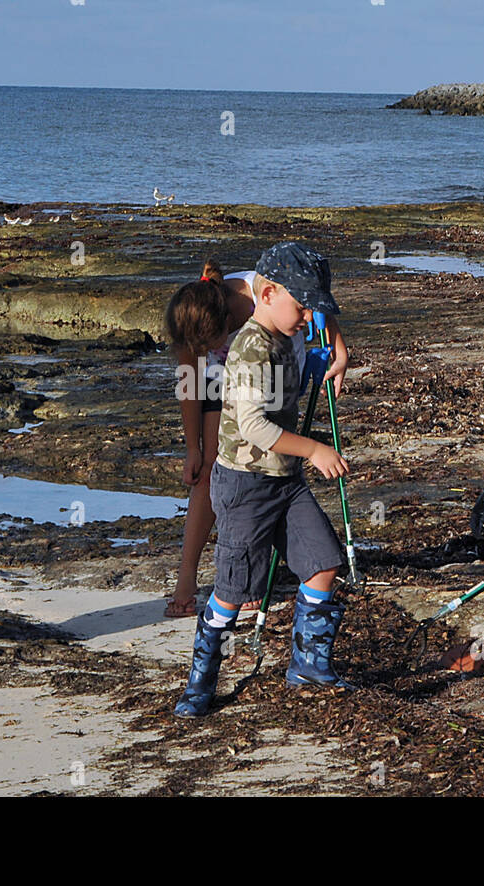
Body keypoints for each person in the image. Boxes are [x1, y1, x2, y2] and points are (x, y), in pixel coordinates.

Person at [173, 242, 352, 717]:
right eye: (302, 306)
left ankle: (308, 664)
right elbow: (253, 425)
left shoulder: (282, 332)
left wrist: (321, 361)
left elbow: (288, 379)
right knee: (232, 594)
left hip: (284, 482)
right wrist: (314, 449)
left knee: (322, 562)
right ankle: (200, 682)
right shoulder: (250, 347)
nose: (308, 315)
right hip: (245, 485)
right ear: (266, 293)